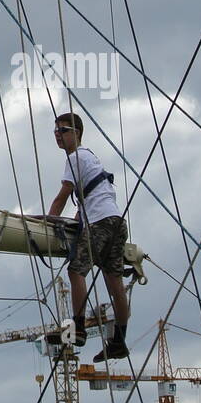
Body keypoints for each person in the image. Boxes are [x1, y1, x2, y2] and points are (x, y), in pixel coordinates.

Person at [44, 112, 130, 361]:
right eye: (56, 131)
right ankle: (119, 341)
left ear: (77, 133)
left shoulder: (76, 157)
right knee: (114, 284)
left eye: (63, 130)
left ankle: (78, 329)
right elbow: (88, 202)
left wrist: (49, 220)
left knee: (75, 271)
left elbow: (62, 196)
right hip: (115, 221)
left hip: (101, 223)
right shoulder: (91, 158)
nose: (58, 135)